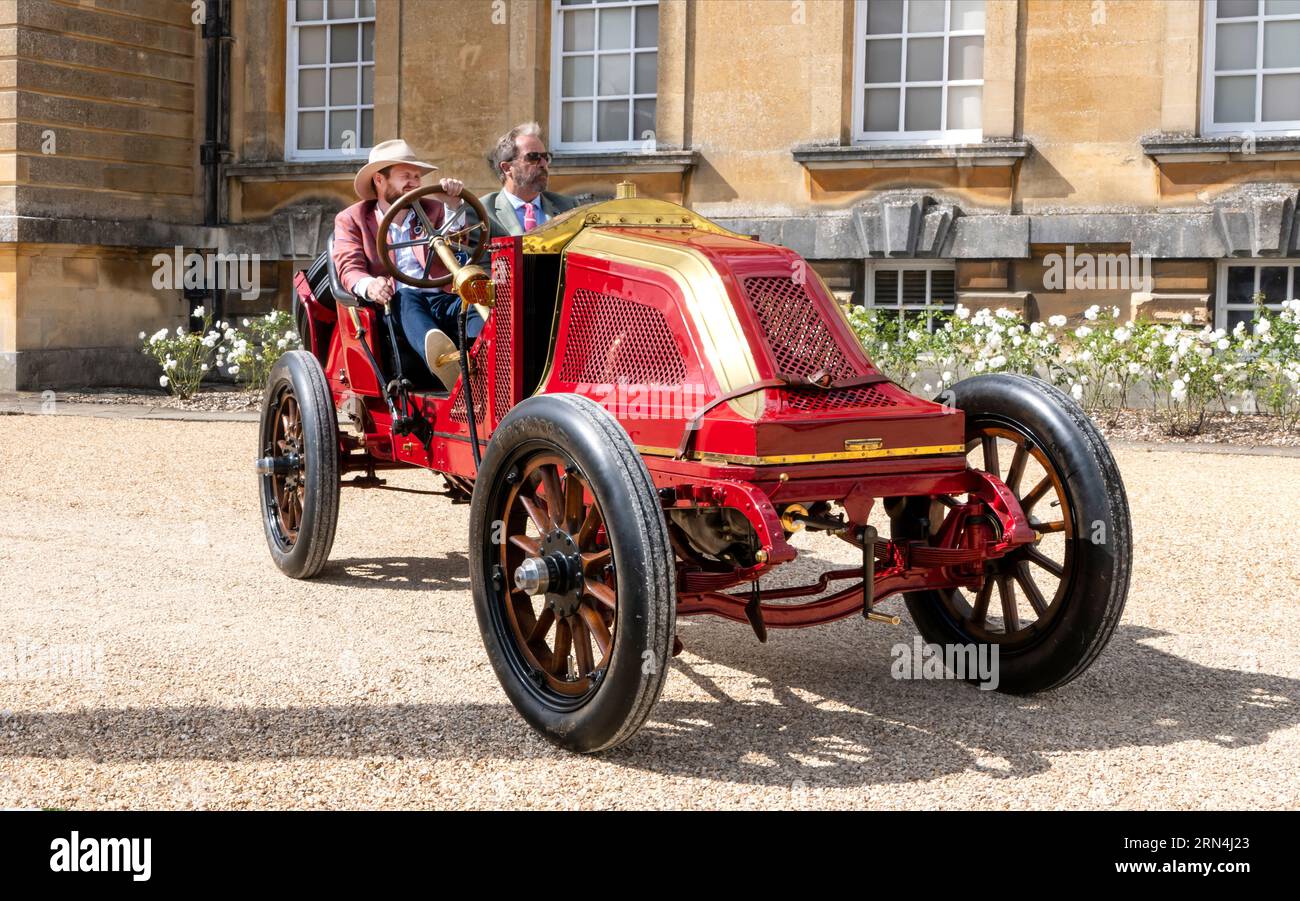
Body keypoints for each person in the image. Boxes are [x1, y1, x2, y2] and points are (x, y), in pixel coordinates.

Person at [331, 138, 481, 388]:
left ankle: (486, 354)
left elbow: (458, 250)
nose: (414, 182)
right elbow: (349, 267)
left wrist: (454, 205)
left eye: (417, 176)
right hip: (398, 305)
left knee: (477, 299)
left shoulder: (435, 210)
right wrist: (370, 286)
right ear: (380, 180)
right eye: (406, 176)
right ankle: (444, 363)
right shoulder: (352, 219)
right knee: (406, 297)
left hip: (443, 297)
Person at [481, 122, 582, 237]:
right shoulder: (483, 212)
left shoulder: (568, 207)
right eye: (533, 157)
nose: (543, 164)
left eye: (545, 157)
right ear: (507, 168)